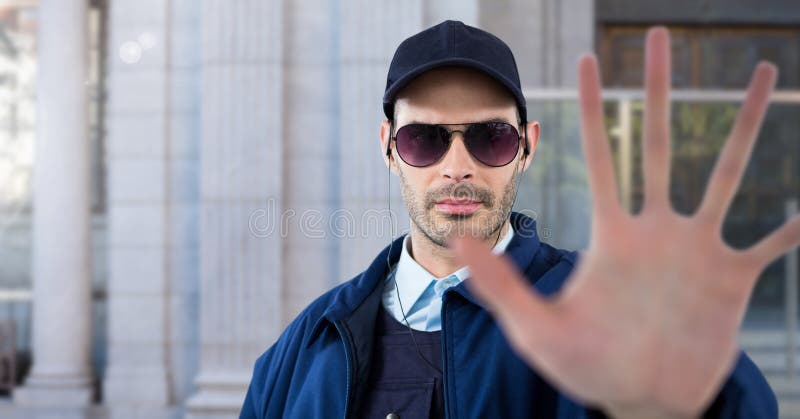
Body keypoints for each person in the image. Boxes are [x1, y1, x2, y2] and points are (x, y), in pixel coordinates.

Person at [240, 20, 796, 418]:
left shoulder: (605, 310)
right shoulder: (306, 346)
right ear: (388, 148)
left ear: (527, 147)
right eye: (423, 140)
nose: (457, 168)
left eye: (491, 137)